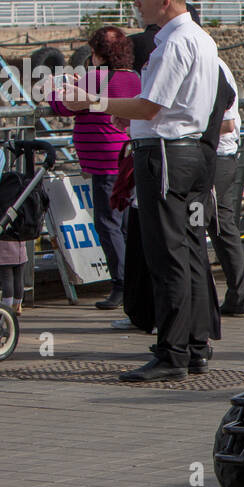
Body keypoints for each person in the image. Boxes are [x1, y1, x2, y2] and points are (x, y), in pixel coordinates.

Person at [61, 0, 220, 382]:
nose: (137, 6)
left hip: (165, 155)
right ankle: (196, 344)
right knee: (188, 250)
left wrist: (91, 102)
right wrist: (130, 119)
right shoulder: (203, 40)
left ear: (164, 0)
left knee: (166, 254)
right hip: (192, 153)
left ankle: (172, 352)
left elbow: (151, 106)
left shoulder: (173, 43)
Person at [48, 25, 138, 311]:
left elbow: (62, 106)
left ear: (99, 54)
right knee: (124, 225)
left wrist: (58, 89)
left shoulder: (96, 78)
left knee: (107, 223)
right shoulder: (134, 78)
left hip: (104, 163)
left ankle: (122, 285)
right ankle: (132, 283)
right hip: (127, 157)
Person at [210, 60, 244, 317]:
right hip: (223, 156)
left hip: (215, 156)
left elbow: (227, 123)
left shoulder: (210, 66)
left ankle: (203, 301)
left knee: (194, 226)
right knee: (221, 225)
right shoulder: (218, 64)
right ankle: (238, 297)